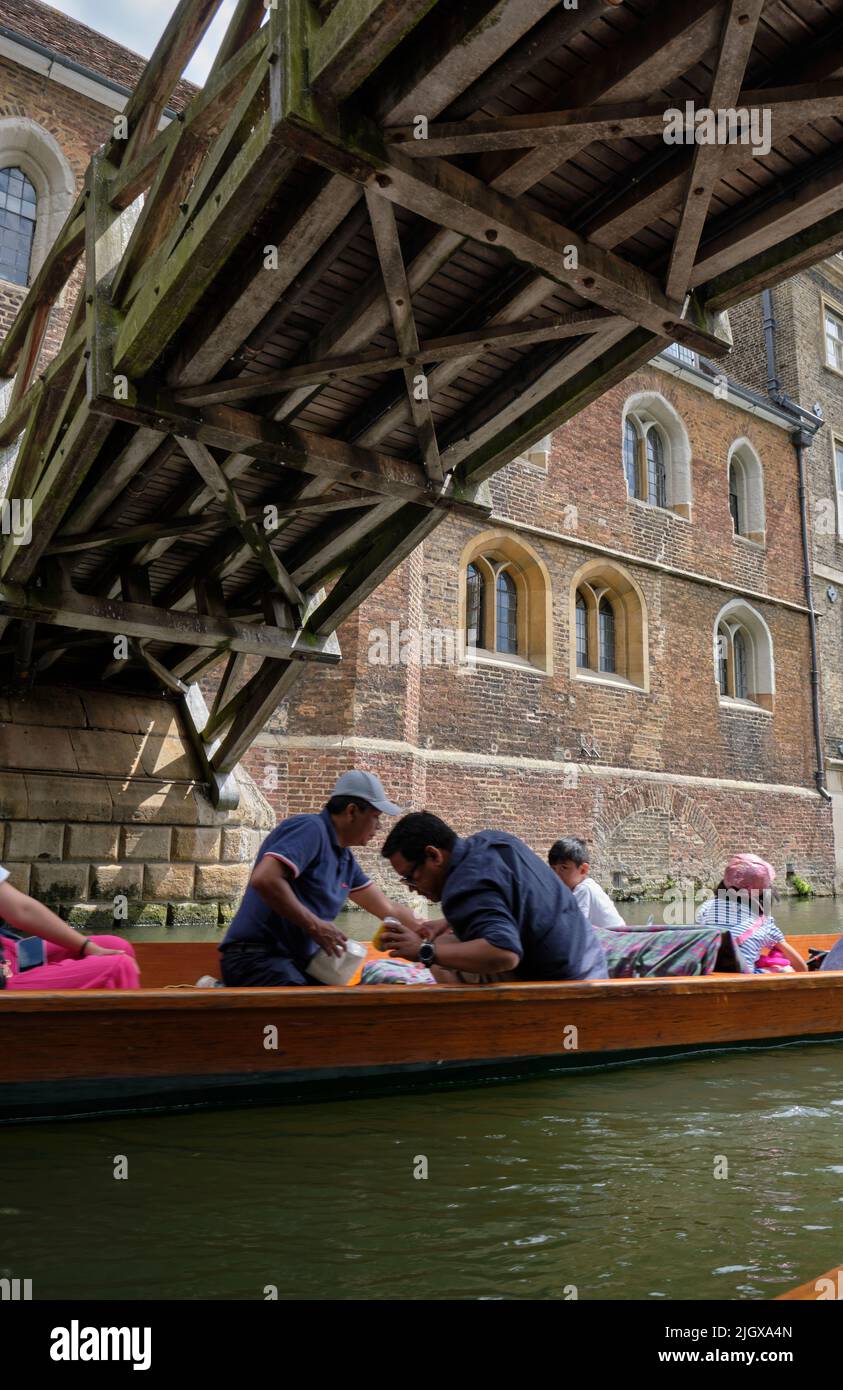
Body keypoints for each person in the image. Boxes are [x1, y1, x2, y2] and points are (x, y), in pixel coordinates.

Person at [219, 770, 423, 987]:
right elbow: (265, 879)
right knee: (311, 1012)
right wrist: (315, 925)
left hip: (295, 963)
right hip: (256, 958)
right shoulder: (311, 830)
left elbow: (388, 908)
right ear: (351, 811)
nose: (379, 826)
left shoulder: (345, 859)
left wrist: (432, 933)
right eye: (375, 817)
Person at [378, 812, 607, 983]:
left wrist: (424, 951)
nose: (411, 888)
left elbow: (505, 953)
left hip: (564, 985)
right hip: (590, 963)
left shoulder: (461, 887)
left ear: (433, 855)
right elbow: (508, 894)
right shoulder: (493, 841)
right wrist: (447, 922)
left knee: (440, 964)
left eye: (411, 877)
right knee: (444, 942)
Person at [0, 869, 139, 990]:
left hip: (8, 952)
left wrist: (88, 947)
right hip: (4, 981)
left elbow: (22, 910)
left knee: (118, 946)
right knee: (119, 967)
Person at [695, 853, 806, 974]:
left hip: (707, 974)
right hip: (743, 982)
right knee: (786, 969)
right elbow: (802, 968)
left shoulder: (706, 907)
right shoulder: (764, 923)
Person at [548, 836, 626, 929]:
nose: (556, 875)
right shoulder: (574, 889)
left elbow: (571, 927)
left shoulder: (584, 889)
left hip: (614, 938)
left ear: (583, 870)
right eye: (553, 869)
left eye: (564, 868)